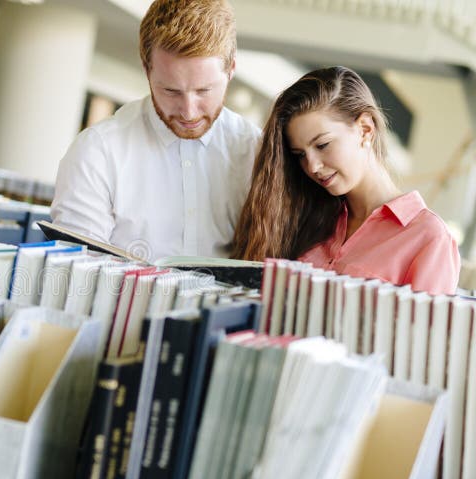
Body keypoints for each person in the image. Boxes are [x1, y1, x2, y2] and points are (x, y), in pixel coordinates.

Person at [50, 0, 260, 262]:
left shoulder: (257, 150)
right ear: (147, 69)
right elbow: (78, 269)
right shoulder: (97, 151)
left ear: (231, 70)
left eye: (204, 91)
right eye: (171, 91)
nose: (189, 112)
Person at [231, 66, 460, 295]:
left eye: (322, 145)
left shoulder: (429, 238)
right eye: (300, 154)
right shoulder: (310, 217)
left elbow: (423, 330)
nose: (312, 166)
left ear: (365, 129)